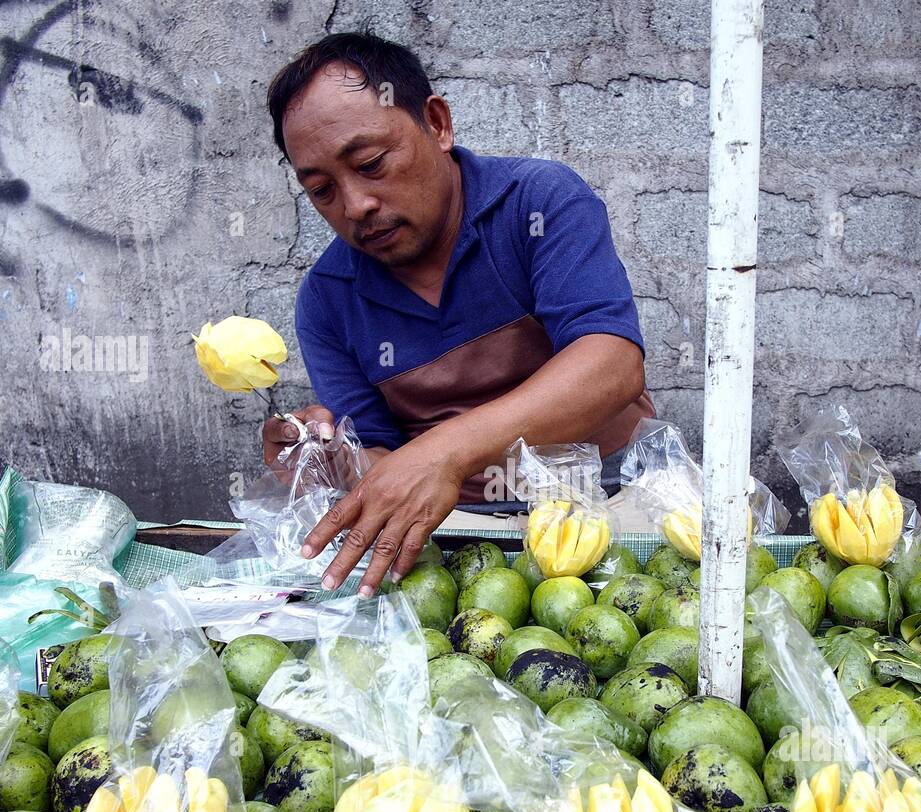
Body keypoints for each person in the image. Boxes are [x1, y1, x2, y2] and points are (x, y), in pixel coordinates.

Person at [264, 32, 653, 595]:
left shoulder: (538, 202)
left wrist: (446, 452)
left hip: (613, 496)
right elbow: (379, 461)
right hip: (458, 535)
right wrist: (327, 460)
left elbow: (612, 364)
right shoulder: (327, 298)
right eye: (322, 190)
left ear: (438, 124)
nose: (355, 206)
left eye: (370, 163)